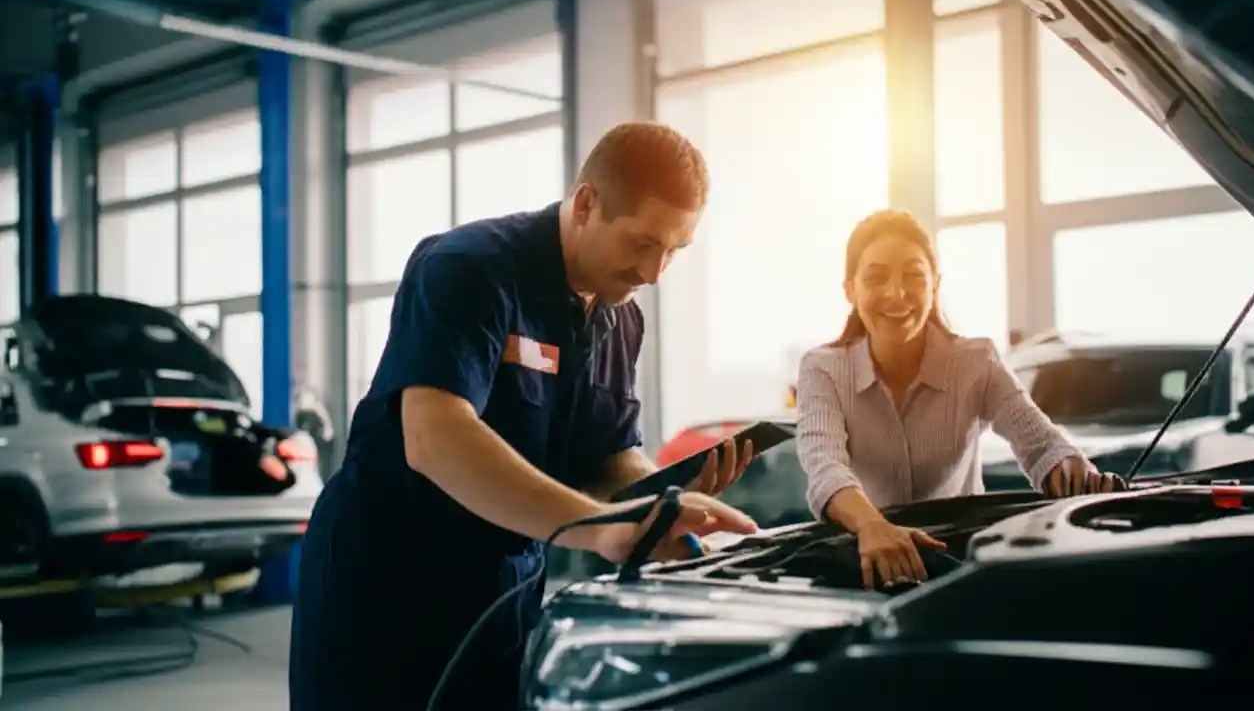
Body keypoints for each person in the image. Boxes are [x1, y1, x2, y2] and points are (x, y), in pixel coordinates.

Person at [288, 122, 758, 711]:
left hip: (504, 587)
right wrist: (601, 529)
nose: (654, 273)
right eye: (642, 243)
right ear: (586, 203)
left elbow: (605, 458)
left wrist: (661, 501)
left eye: (674, 251)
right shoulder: (470, 267)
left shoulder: (620, 317)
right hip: (389, 582)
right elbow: (433, 436)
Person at [794, 209, 1125, 590]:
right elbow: (825, 470)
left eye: (914, 276)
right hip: (864, 567)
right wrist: (873, 526)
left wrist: (1071, 470)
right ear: (850, 289)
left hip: (961, 572)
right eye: (876, 277)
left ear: (935, 284)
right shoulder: (822, 368)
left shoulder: (975, 361)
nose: (896, 293)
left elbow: (1041, 444)